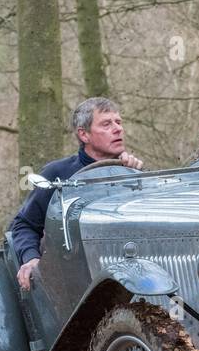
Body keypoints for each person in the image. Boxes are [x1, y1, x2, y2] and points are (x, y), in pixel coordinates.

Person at [11, 98, 144, 290]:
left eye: (118, 122)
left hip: (133, 277)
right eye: (106, 124)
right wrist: (31, 259)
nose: (118, 129)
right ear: (84, 135)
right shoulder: (55, 174)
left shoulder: (135, 174)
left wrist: (136, 177)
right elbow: (24, 224)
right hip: (70, 283)